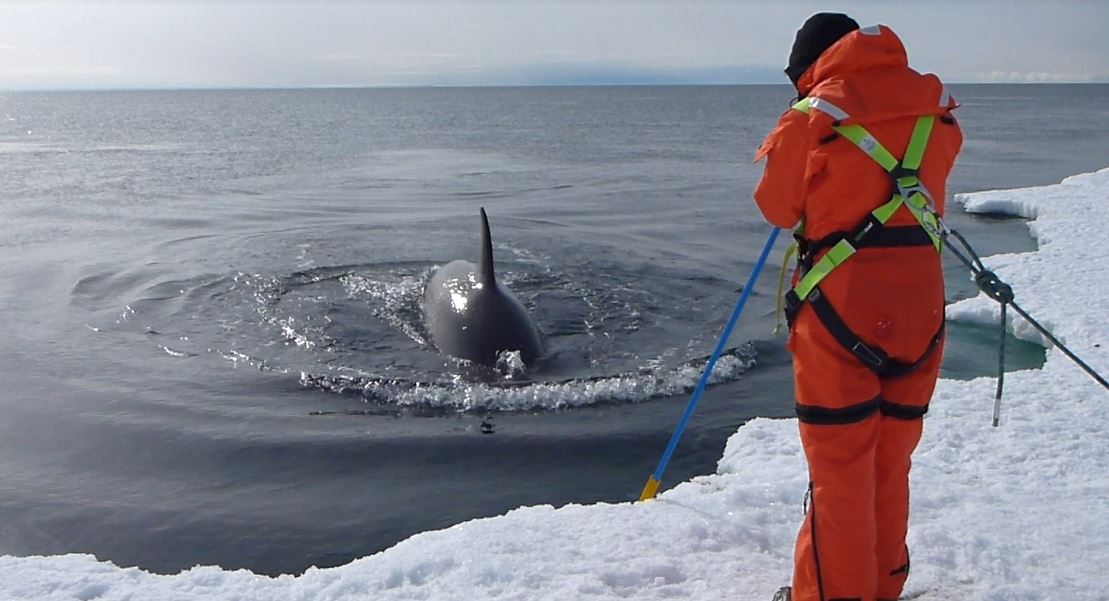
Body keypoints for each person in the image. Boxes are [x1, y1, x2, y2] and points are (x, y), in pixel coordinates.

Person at [753, 13, 962, 601]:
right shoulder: (935, 111)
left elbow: (776, 207)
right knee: (890, 461)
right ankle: (883, 585)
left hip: (839, 313)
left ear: (809, 66)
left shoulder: (810, 118)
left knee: (841, 471)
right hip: (922, 312)